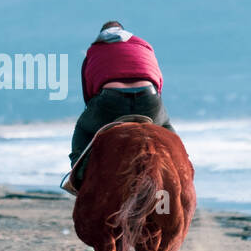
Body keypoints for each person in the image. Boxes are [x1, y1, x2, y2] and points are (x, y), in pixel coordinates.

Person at [69, 21, 174, 184]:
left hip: (111, 98)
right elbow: (158, 81)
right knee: (166, 128)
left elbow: (88, 94)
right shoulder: (143, 45)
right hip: (148, 96)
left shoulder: (93, 51)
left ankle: (78, 175)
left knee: (83, 128)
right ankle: (180, 169)